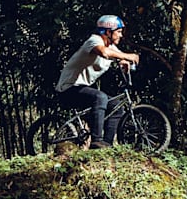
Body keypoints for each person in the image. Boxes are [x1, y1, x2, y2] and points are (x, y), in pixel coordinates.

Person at [55, 15, 141, 148]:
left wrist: (124, 61)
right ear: (108, 32)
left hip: (81, 88)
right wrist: (128, 56)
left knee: (116, 107)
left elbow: (116, 55)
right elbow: (105, 53)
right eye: (118, 32)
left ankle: (107, 144)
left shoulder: (110, 46)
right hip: (68, 88)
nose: (121, 35)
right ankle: (96, 140)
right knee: (100, 97)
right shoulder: (94, 41)